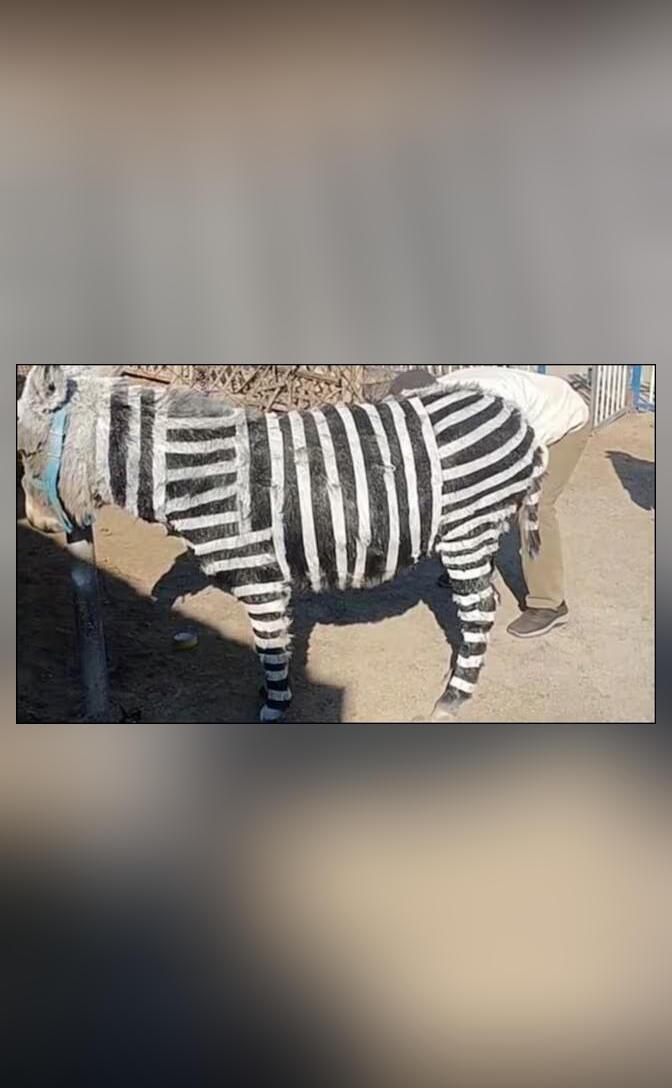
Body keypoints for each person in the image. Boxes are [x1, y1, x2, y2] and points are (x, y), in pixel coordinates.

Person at [388, 366, 590, 639]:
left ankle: (549, 604)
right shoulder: (437, 401)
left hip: (561, 422)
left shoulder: (485, 406)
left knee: (535, 507)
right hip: (527, 411)